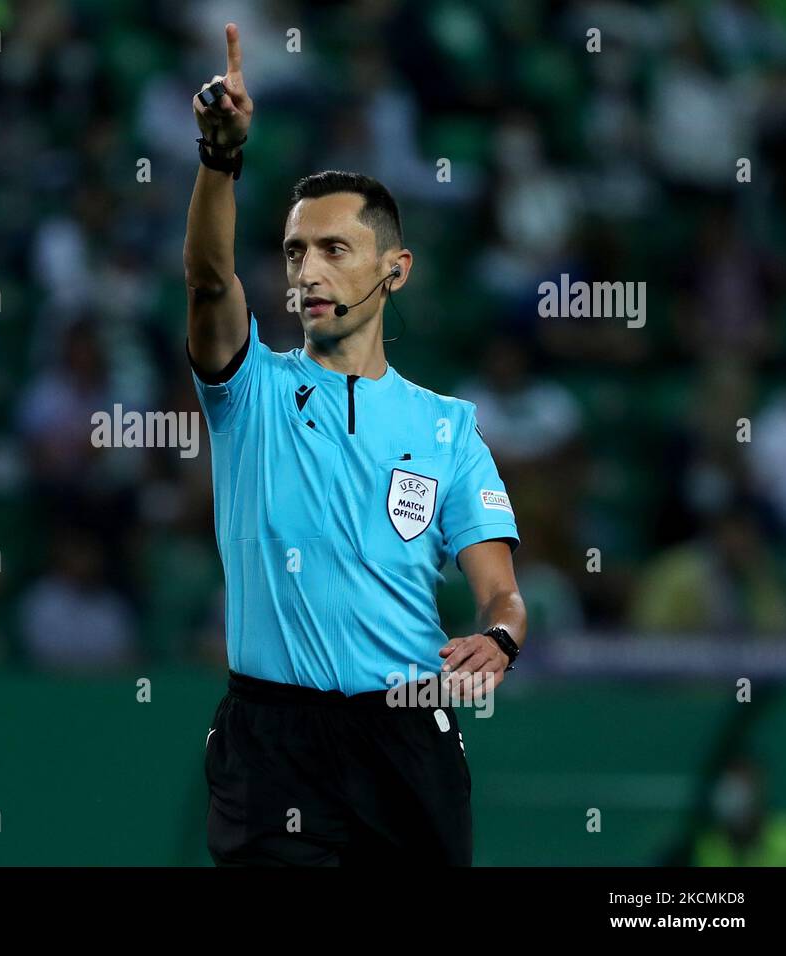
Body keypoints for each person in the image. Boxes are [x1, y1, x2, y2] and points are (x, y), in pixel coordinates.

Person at [185, 24, 527, 866]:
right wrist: (220, 158)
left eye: (335, 250)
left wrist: (501, 637)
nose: (308, 273)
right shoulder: (249, 390)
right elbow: (207, 278)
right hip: (272, 742)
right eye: (296, 252)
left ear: (395, 269)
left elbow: (503, 595)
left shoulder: (447, 427)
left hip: (406, 738)